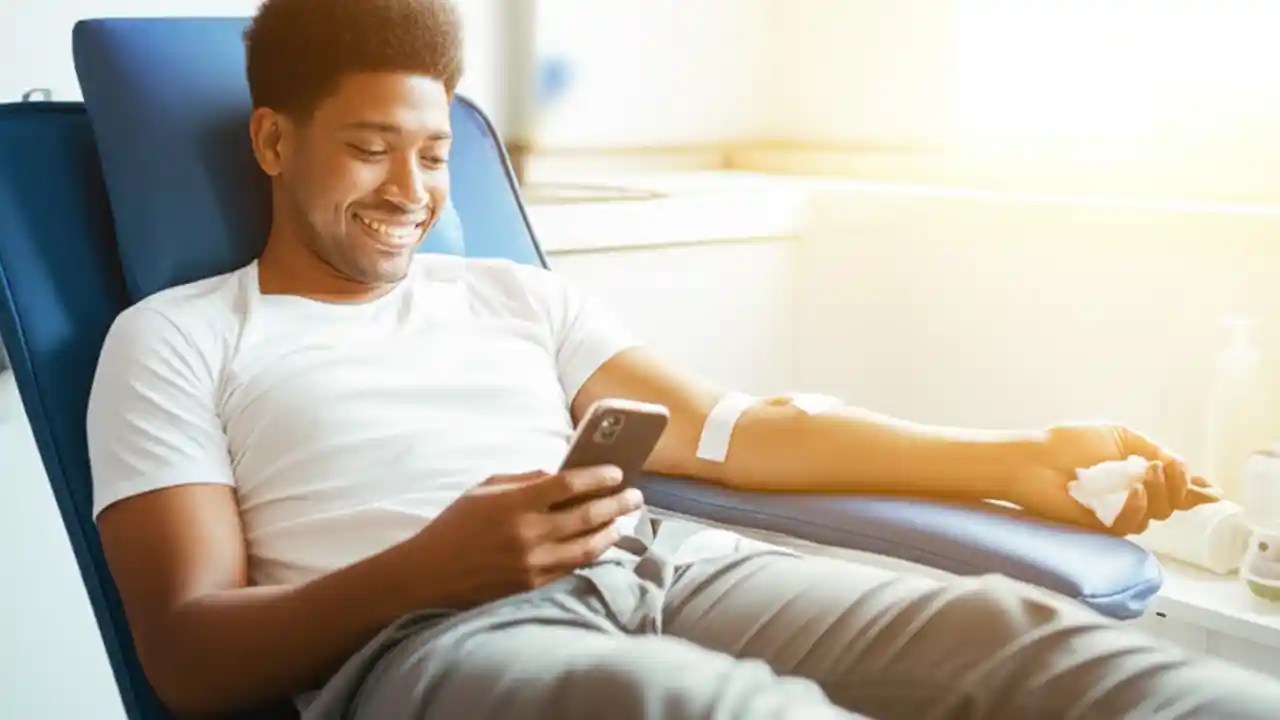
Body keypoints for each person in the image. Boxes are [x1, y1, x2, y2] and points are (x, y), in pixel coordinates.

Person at [85, 1, 1280, 718]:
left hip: (662, 568)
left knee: (1015, 641)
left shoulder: (517, 297)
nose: (411, 193)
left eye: (435, 154)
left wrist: (1013, 459)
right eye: (368, 149)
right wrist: (430, 567)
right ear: (273, 139)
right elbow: (188, 654)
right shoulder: (179, 340)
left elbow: (737, 432)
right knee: (708, 713)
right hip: (433, 644)